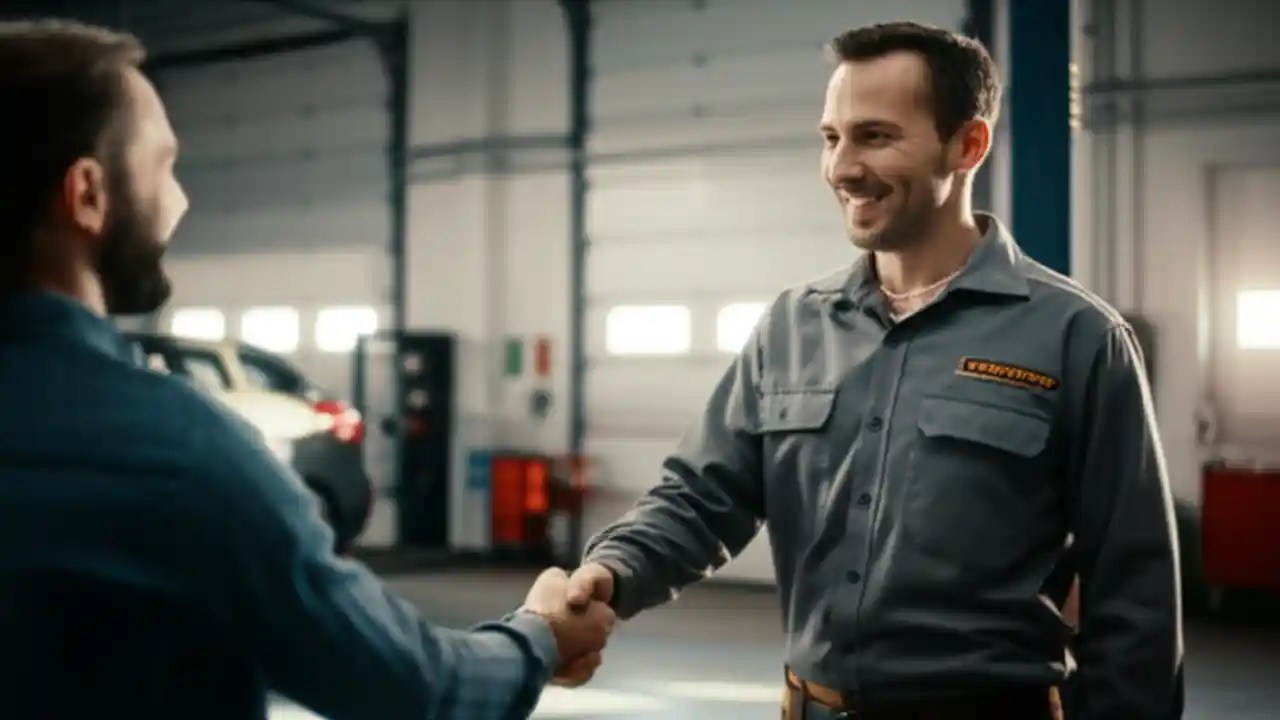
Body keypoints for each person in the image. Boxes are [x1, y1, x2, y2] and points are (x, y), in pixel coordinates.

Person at [564, 21, 1183, 720]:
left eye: (875, 137)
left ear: (968, 144)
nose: (841, 167)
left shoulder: (1077, 337)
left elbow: (1135, 597)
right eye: (832, 138)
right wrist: (609, 574)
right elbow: (702, 499)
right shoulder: (793, 326)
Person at [0, 18, 614, 720]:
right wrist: (537, 637)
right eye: (164, 167)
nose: (182, 201)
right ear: (86, 195)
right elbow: (413, 687)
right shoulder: (171, 453)